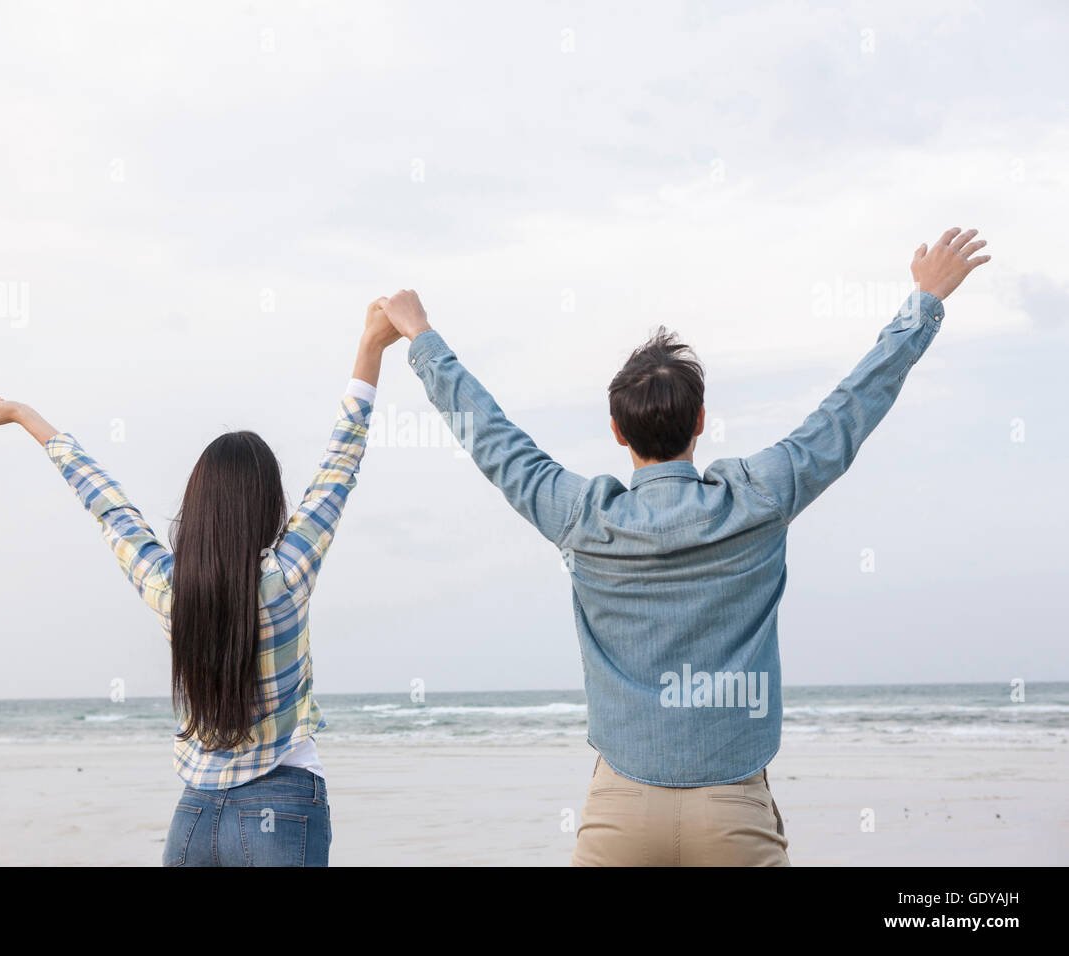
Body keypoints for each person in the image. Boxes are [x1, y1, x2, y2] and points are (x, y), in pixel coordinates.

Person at [380, 228, 990, 866]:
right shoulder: (759, 497)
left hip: (620, 808)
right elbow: (849, 410)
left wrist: (422, 336)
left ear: (617, 431)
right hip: (734, 805)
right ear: (701, 421)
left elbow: (492, 437)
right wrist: (923, 302)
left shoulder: (580, 517)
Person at [0, 299, 402, 866]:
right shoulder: (284, 579)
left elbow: (109, 507)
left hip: (194, 817)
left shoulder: (171, 588)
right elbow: (340, 466)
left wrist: (30, 418)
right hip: (283, 803)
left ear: (198, 508)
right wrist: (370, 346)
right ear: (271, 507)